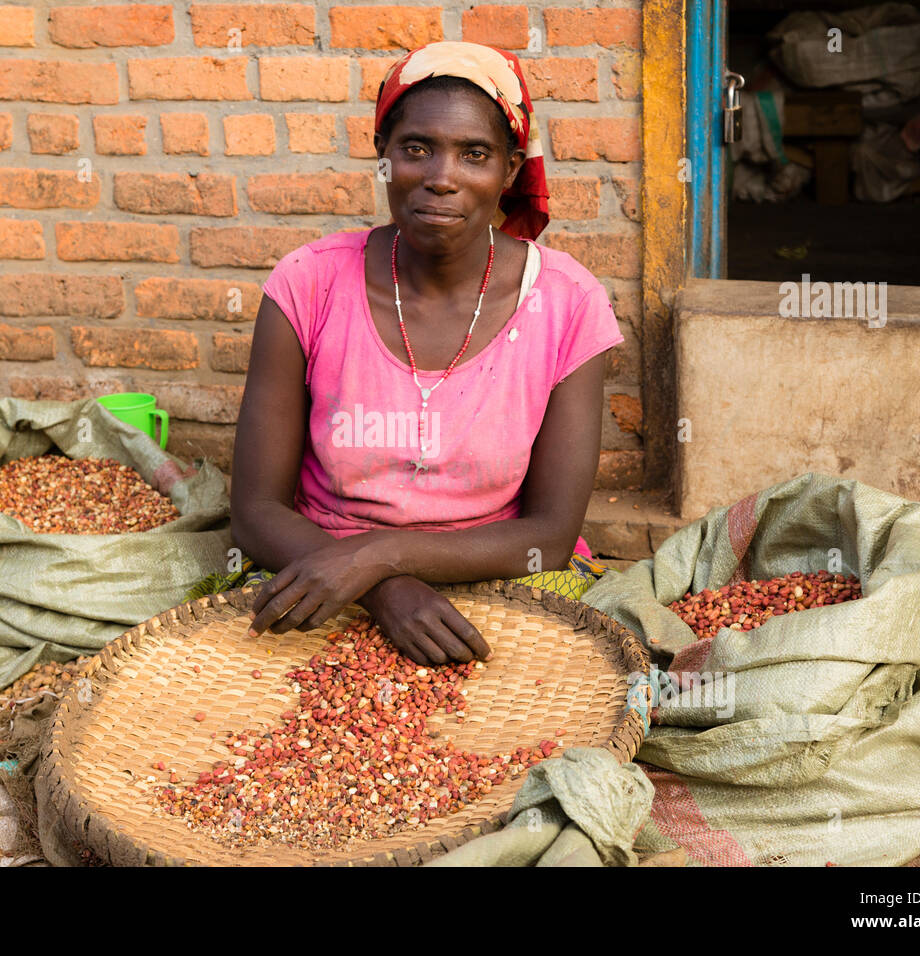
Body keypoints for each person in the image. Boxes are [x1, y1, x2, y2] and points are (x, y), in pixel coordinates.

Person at [228, 41, 625, 665]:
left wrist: (378, 556)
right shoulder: (307, 283)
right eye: (416, 148)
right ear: (383, 155)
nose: (442, 177)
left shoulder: (567, 302)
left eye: (475, 154)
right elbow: (254, 510)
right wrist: (385, 588)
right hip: (315, 563)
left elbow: (549, 535)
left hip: (497, 575)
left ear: (511, 171)